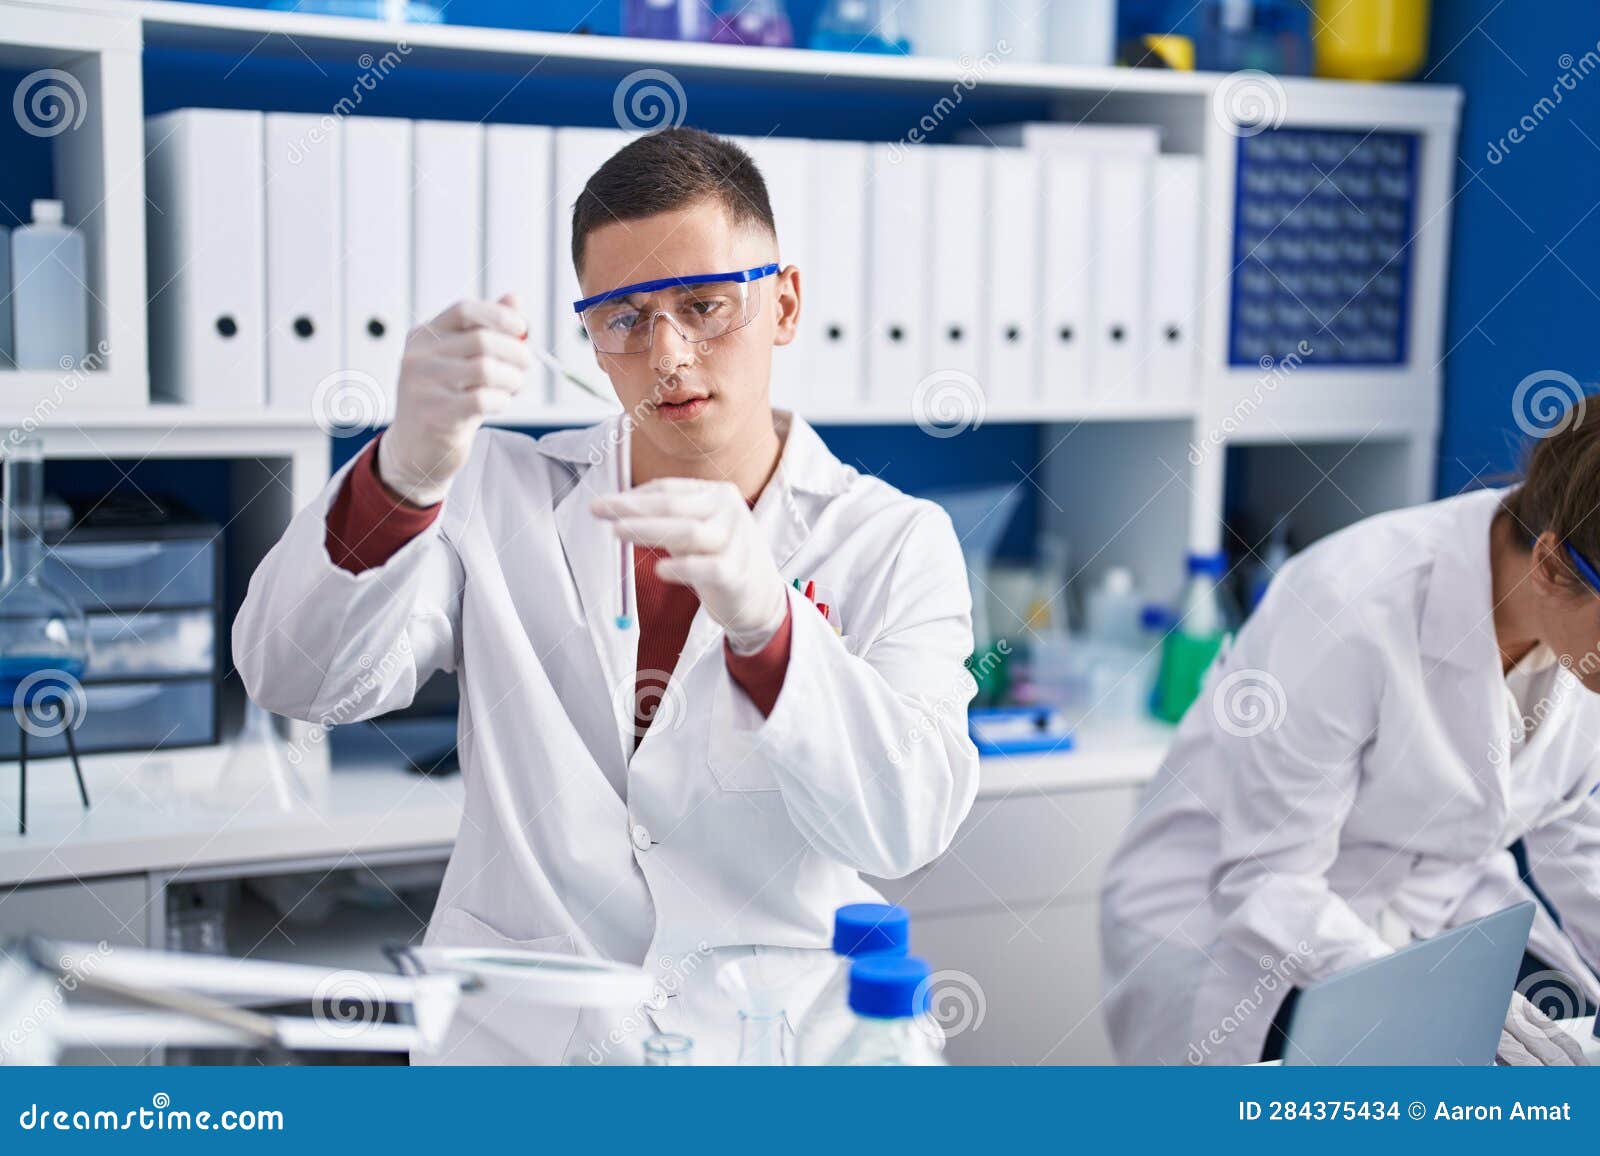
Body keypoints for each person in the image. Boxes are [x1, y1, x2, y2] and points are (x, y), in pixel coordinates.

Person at [233, 127, 979, 1063]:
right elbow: (295, 677)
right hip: (519, 1053)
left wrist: (771, 628)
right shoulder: (495, 488)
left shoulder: (891, 539)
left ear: (784, 304)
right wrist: (402, 476)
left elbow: (906, 824)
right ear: (587, 333)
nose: (667, 353)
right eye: (625, 317)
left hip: (767, 1046)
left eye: (706, 305)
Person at [1100, 407, 1600, 1066]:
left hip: (1429, 904)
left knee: (1562, 1049)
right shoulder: (1352, 603)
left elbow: (1578, 835)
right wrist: (1425, 1003)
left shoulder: (1575, 641)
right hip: (1239, 925)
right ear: (1548, 567)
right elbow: (1269, 881)